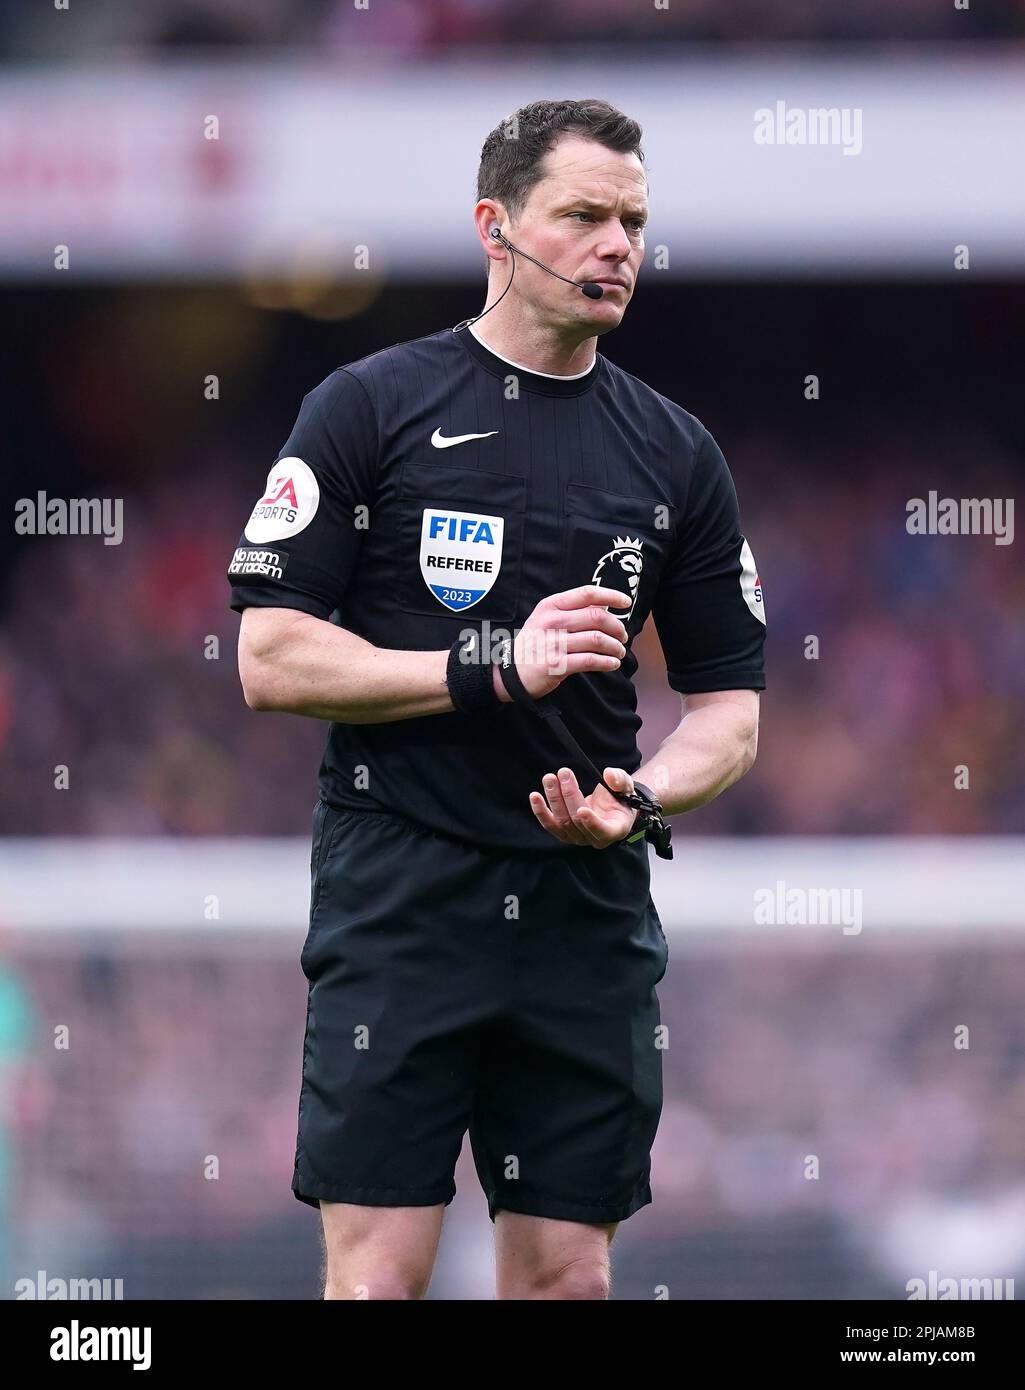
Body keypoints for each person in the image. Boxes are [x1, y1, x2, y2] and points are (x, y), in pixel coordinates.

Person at [227, 97, 765, 1300]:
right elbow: (269, 657)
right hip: (402, 892)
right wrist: (487, 662)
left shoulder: (675, 453)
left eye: (632, 220)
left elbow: (729, 705)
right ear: (495, 227)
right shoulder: (367, 406)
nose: (616, 244)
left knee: (567, 1277)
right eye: (581, 216)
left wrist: (644, 796)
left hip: (582, 899)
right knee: (379, 1276)